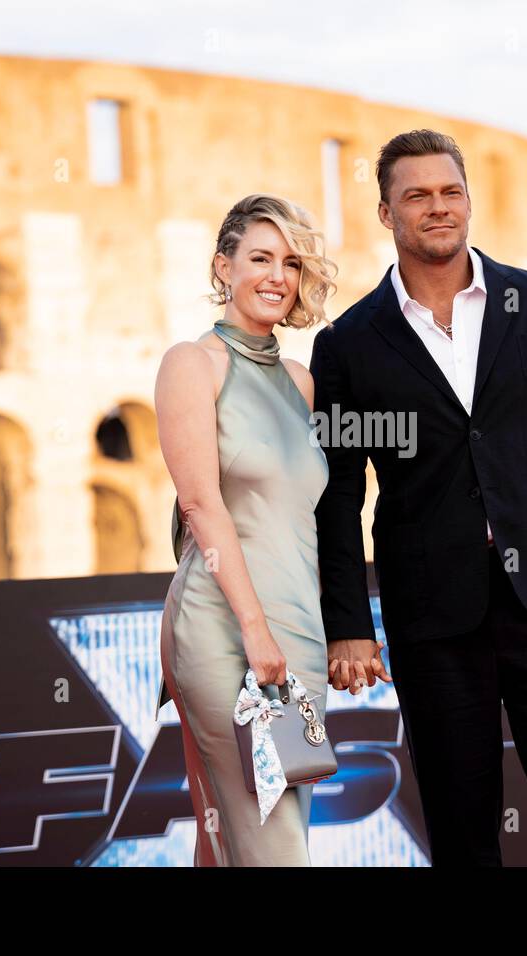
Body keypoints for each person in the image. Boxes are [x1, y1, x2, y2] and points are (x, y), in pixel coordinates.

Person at [311, 129, 527, 866]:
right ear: (386, 213)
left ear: (468, 199)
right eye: (417, 196)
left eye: (450, 192)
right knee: (463, 833)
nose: (438, 208)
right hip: (433, 621)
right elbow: (337, 493)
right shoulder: (349, 343)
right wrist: (346, 623)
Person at [152, 193, 338, 866]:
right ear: (222, 266)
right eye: (259, 257)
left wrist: (296, 636)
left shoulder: (299, 381)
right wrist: (256, 632)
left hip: (298, 637)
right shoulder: (192, 365)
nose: (277, 276)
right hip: (227, 629)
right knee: (273, 842)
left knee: (231, 840)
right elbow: (201, 506)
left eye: (291, 262)